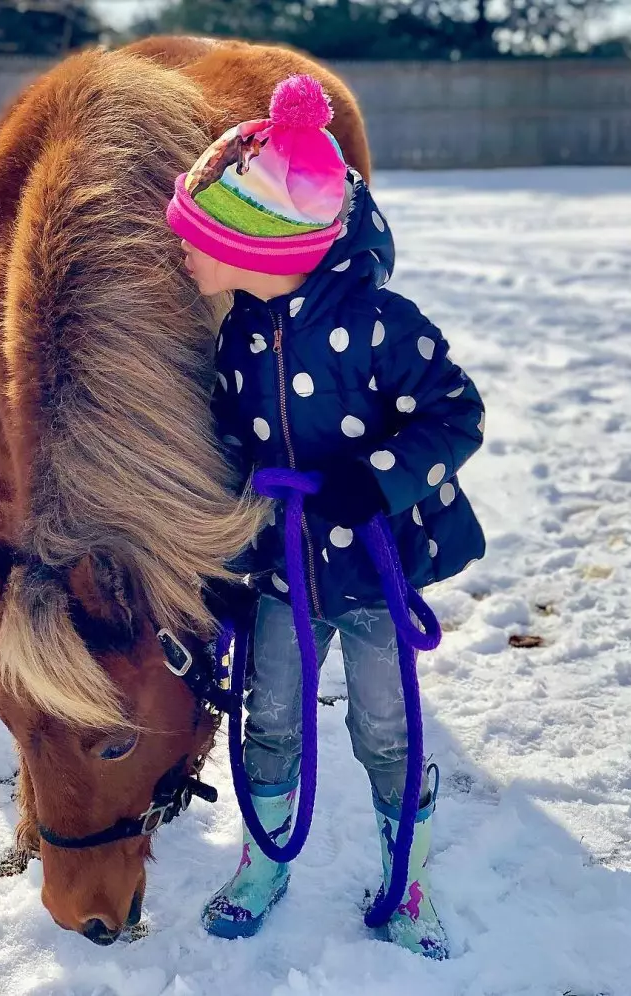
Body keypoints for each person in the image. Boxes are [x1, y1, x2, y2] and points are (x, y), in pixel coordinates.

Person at [166, 74, 485, 957]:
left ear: (261, 250)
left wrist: (376, 481)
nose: (182, 252)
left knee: (387, 728)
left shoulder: (387, 327)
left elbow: (457, 414)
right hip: (281, 570)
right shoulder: (237, 334)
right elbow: (233, 441)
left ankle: (406, 877)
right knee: (268, 719)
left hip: (374, 567)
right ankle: (264, 859)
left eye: (197, 239)